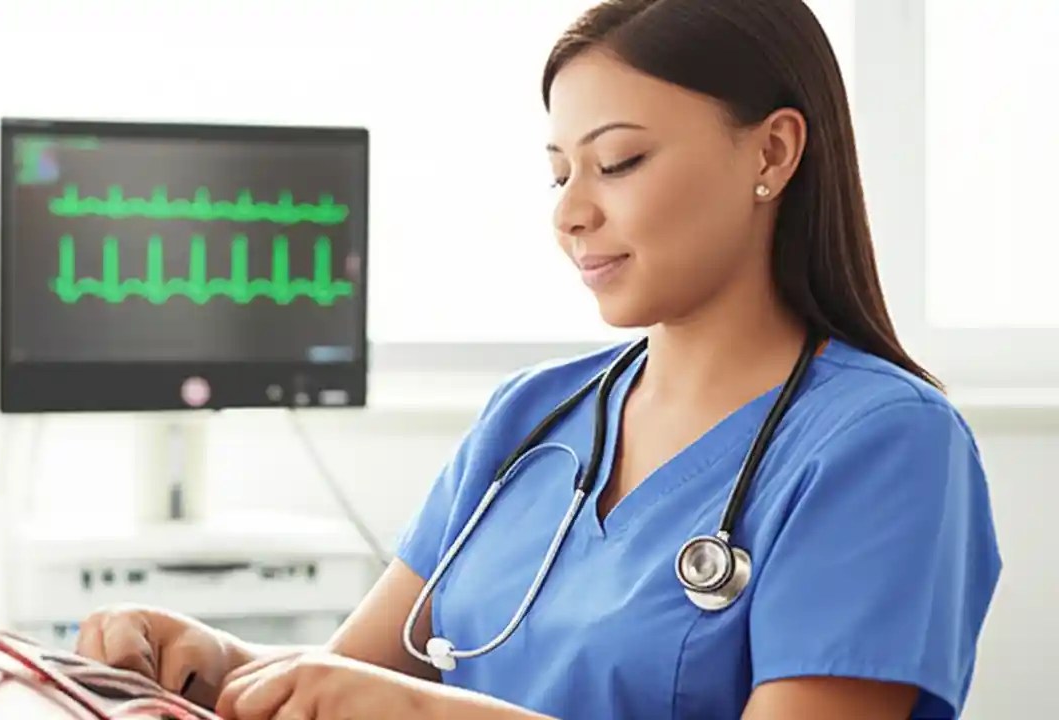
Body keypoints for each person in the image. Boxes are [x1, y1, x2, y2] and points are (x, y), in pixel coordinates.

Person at [75, 0, 1002, 717]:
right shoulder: (531, 419)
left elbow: (397, 705)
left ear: (773, 149)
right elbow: (350, 679)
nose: (570, 213)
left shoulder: (886, 449)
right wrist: (210, 661)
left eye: (620, 161)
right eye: (559, 171)